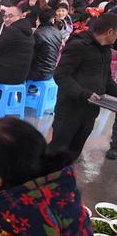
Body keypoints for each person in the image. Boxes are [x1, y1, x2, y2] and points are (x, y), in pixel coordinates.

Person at [48, 13, 117, 162]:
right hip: (70, 110)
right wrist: (84, 94)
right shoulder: (79, 45)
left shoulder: (105, 50)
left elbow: (107, 80)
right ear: (110, 31)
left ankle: (64, 178)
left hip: (90, 111)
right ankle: (46, 180)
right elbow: (61, 75)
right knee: (57, 150)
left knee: (74, 150)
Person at [0, 5, 34, 102]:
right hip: (22, 75)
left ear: (20, 16)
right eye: (5, 16)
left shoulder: (12, 30)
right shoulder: (28, 31)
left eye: (11, 16)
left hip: (8, 75)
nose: (7, 19)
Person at [28, 8, 63, 82]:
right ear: (52, 20)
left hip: (37, 72)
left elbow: (31, 54)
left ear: (39, 20)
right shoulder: (58, 33)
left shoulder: (38, 33)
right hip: (51, 72)